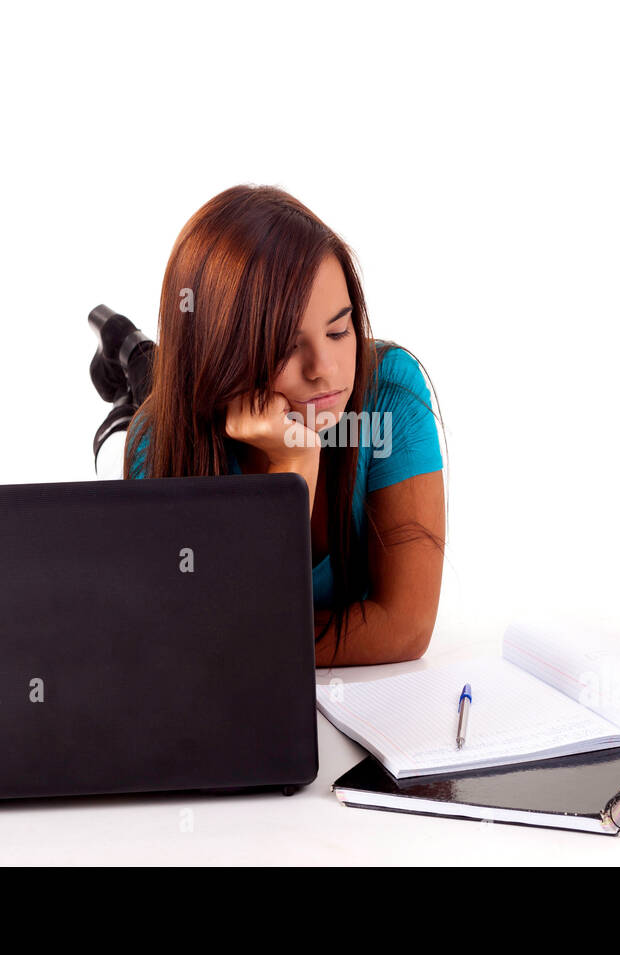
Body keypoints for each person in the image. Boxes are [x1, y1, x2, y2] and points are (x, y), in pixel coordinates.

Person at [124, 184, 447, 668]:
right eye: (286, 345)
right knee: (140, 392)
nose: (325, 369)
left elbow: (407, 627)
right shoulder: (156, 442)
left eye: (340, 331)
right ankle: (129, 354)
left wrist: (249, 637)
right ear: (221, 351)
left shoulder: (391, 392)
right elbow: (179, 643)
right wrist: (295, 461)